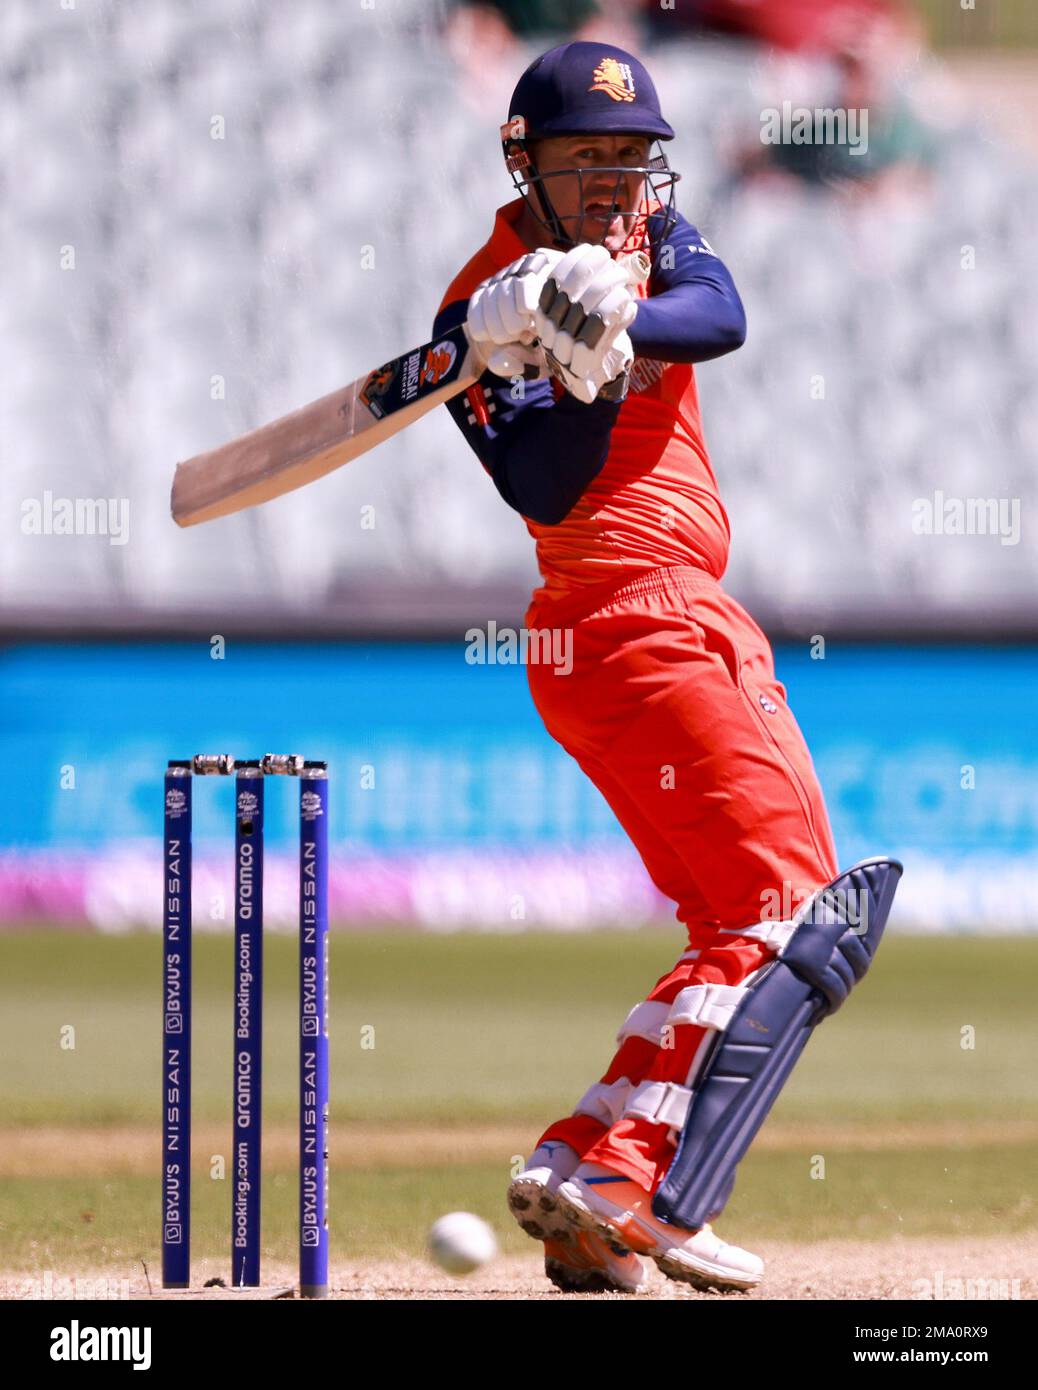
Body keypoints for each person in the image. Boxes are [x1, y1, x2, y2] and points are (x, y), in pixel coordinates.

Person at [432, 41, 839, 1295]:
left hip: (630, 640)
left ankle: (582, 1174)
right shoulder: (470, 314)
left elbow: (723, 318)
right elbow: (545, 485)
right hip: (637, 623)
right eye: (587, 155)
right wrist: (553, 365)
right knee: (794, 914)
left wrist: (615, 319)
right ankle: (641, 1183)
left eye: (631, 154)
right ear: (527, 164)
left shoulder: (653, 239)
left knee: (734, 921)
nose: (615, 178)